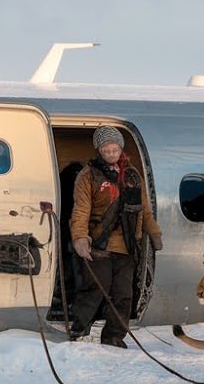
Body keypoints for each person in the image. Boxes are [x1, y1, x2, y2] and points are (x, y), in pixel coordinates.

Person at [69, 125, 164, 348]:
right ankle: (79, 329)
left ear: (121, 149)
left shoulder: (132, 175)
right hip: (99, 244)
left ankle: (114, 336)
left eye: (114, 149)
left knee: (123, 294)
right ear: (99, 150)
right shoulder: (88, 176)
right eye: (106, 150)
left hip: (127, 245)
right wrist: (80, 237)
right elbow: (81, 209)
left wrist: (154, 233)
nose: (111, 154)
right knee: (95, 289)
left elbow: (145, 208)